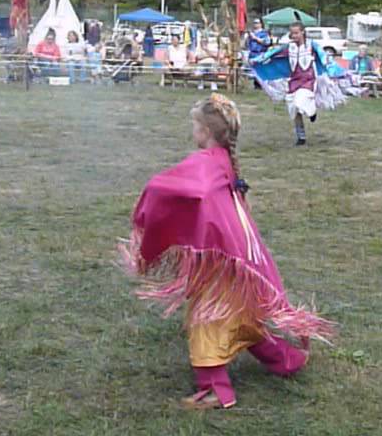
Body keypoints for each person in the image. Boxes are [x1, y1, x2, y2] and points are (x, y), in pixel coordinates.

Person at [119, 94, 332, 410]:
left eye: (195, 125)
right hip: (237, 255)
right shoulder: (222, 160)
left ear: (205, 130)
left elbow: (181, 189)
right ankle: (288, 361)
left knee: (207, 319)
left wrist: (154, 196)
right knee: (244, 317)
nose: (193, 130)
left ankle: (216, 390)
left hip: (226, 256)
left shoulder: (207, 162)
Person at [251, 20, 348, 146]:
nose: (294, 36)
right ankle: (301, 136)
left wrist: (332, 70)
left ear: (303, 32)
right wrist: (257, 60)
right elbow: (271, 54)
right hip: (294, 81)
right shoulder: (288, 47)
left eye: (296, 33)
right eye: (292, 33)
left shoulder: (311, 45)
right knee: (293, 108)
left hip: (308, 79)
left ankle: (312, 112)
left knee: (300, 101)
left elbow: (324, 57)